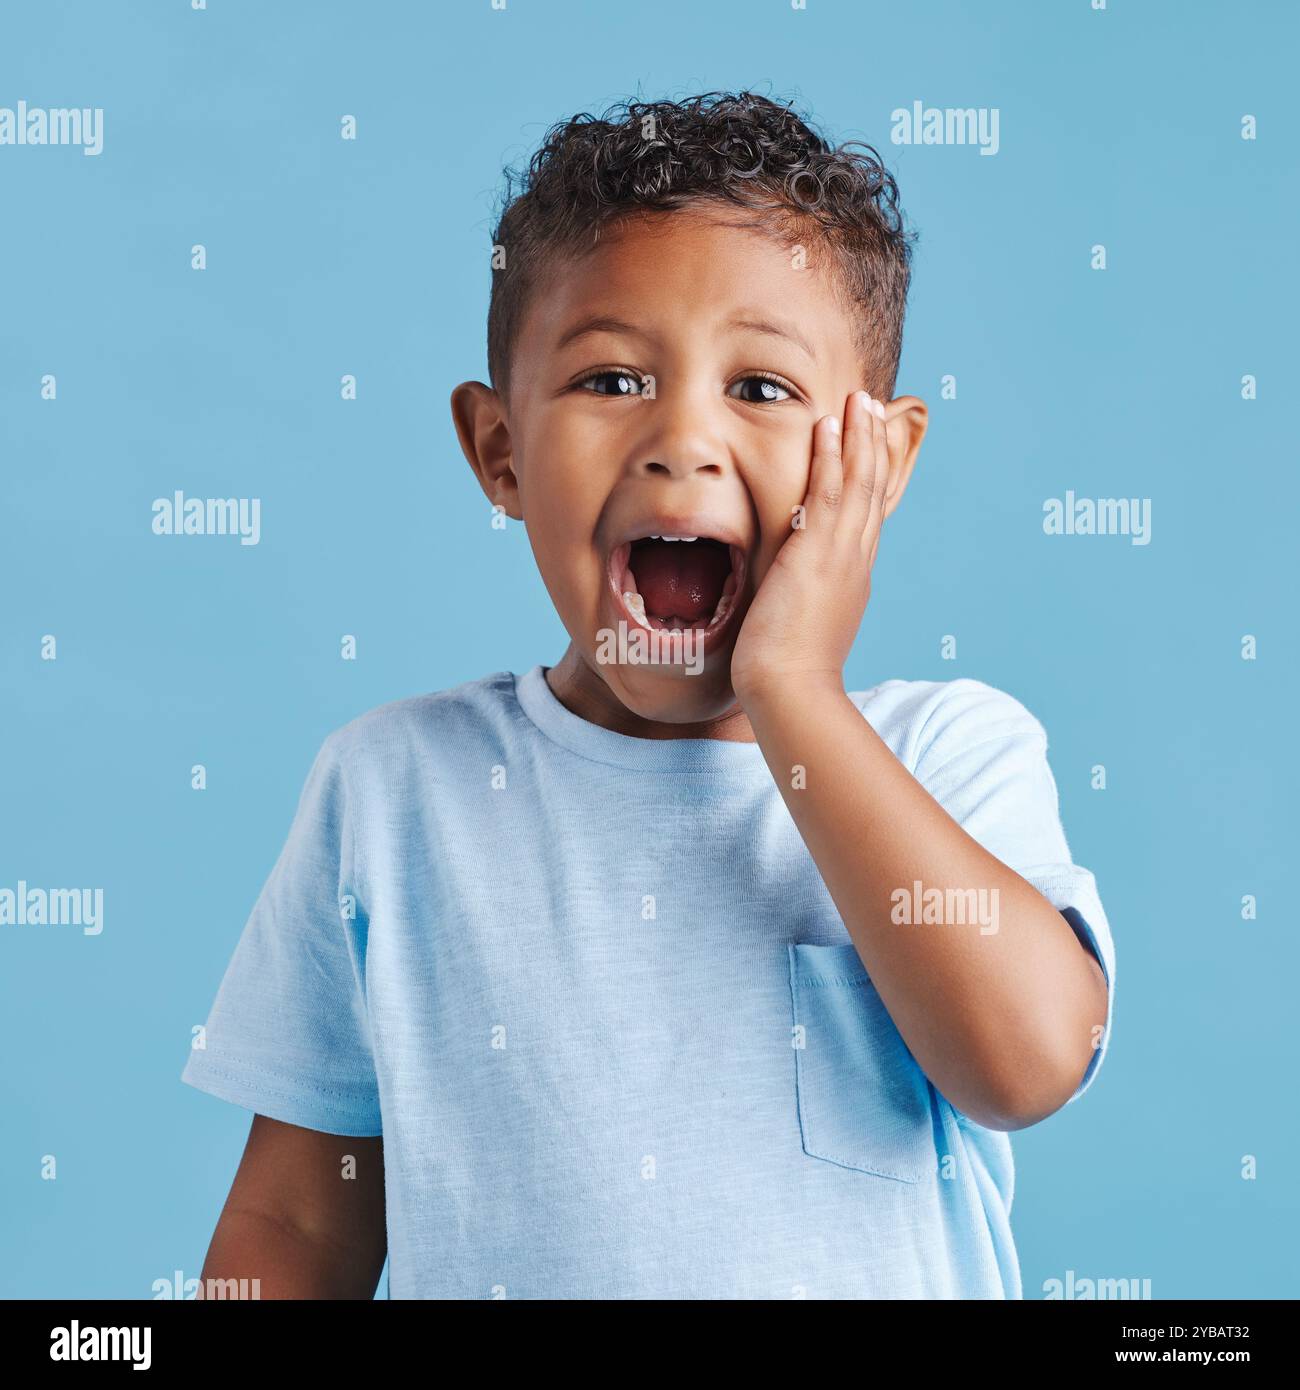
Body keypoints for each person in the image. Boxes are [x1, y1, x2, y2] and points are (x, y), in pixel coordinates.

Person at [182, 90, 1115, 1300]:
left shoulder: (944, 749)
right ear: (499, 452)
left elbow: (1030, 1061)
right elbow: (298, 1221)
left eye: (763, 389)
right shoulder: (391, 788)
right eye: (613, 379)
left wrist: (793, 692)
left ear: (877, 464)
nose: (682, 438)